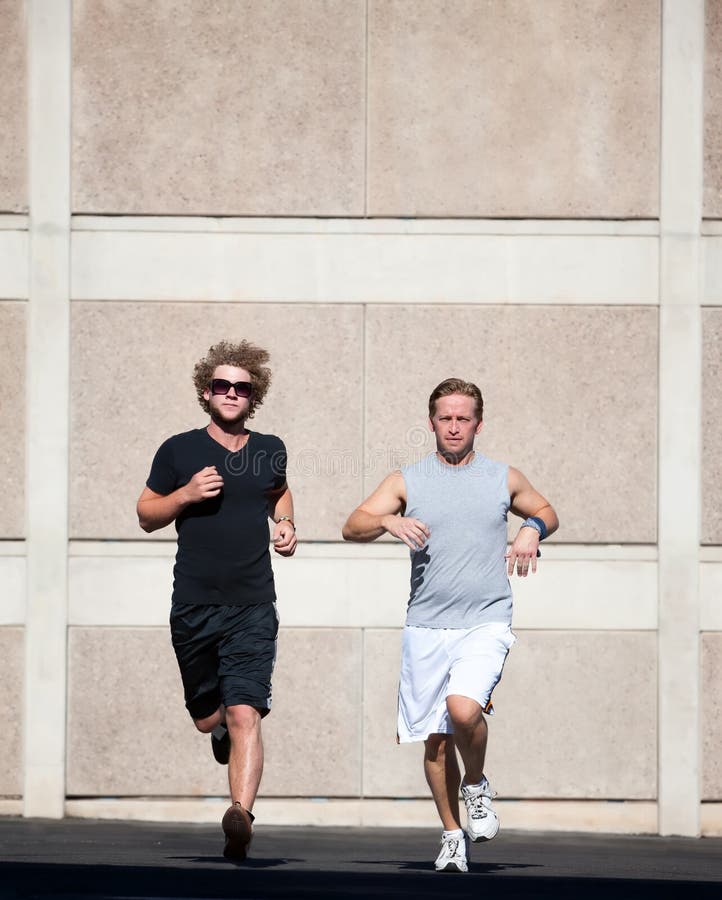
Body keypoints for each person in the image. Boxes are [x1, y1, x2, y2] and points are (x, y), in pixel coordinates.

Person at [342, 377, 558, 874]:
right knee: (435, 741)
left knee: (463, 712)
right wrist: (388, 522)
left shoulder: (503, 478)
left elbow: (546, 509)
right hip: (426, 626)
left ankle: (476, 786)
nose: (454, 426)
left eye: (464, 418)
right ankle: (452, 832)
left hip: (485, 620)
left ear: (478, 423)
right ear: (432, 423)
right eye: (446, 418)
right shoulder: (407, 481)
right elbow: (352, 525)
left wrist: (531, 528)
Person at [137, 339, 296, 862]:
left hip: (253, 605)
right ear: (207, 393)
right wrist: (183, 495)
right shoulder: (178, 450)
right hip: (194, 606)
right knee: (212, 719)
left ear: (254, 396)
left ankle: (240, 817)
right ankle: (217, 730)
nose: (232, 393)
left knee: (247, 711)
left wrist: (286, 523)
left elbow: (278, 491)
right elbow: (145, 514)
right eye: (222, 385)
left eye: (242, 387)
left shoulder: (269, 447)